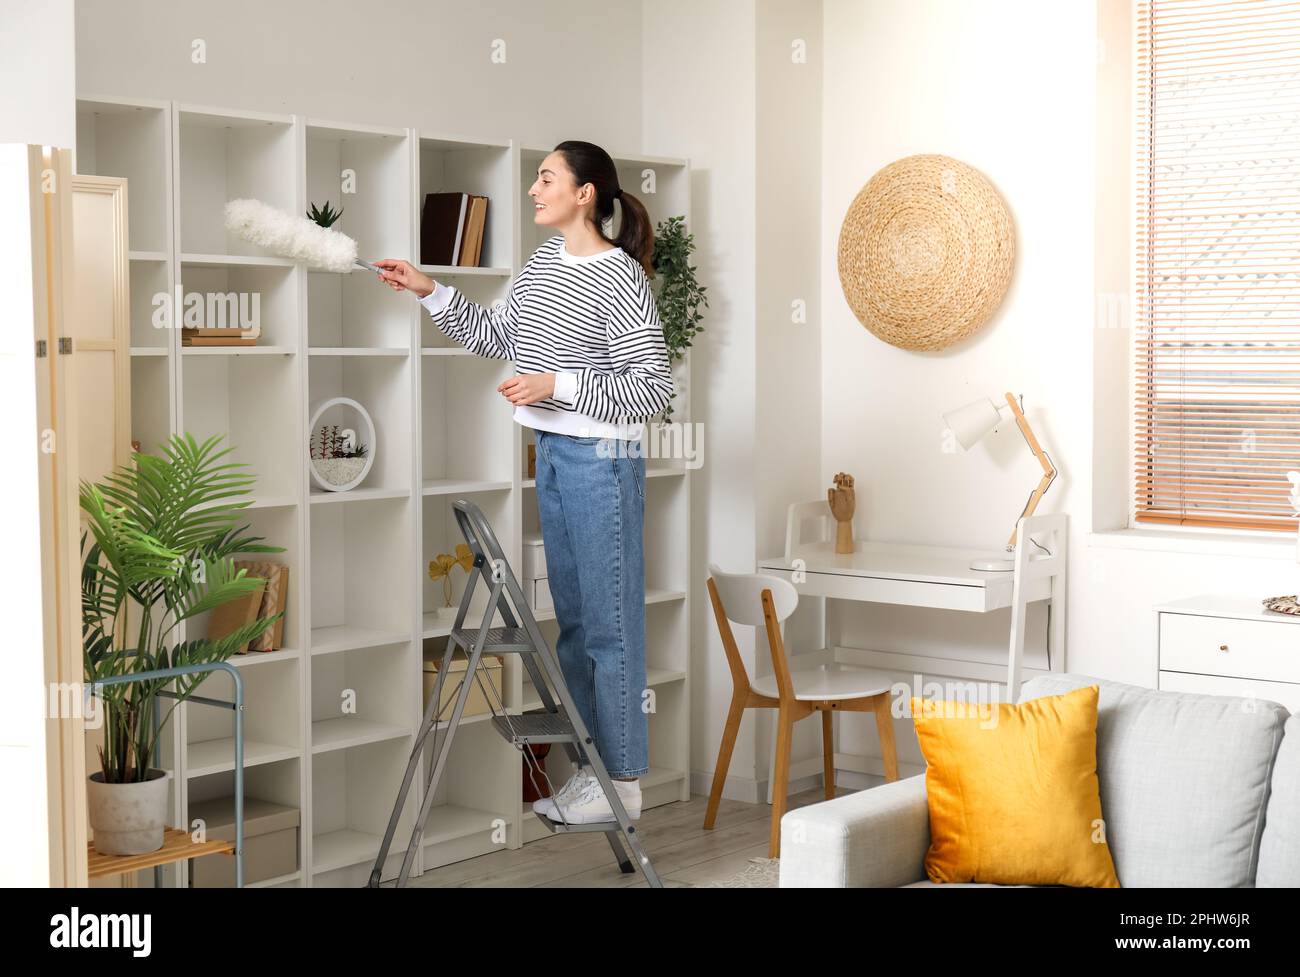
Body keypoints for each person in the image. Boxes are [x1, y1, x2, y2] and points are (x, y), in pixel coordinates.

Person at [374, 141, 674, 825]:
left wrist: (557, 384)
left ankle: (623, 781)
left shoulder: (619, 275)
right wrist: (431, 289)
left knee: (610, 627)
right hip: (555, 454)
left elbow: (652, 388)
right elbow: (498, 333)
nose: (533, 189)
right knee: (571, 626)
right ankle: (592, 772)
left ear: (586, 194)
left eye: (546, 178)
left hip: (602, 457)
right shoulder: (542, 266)